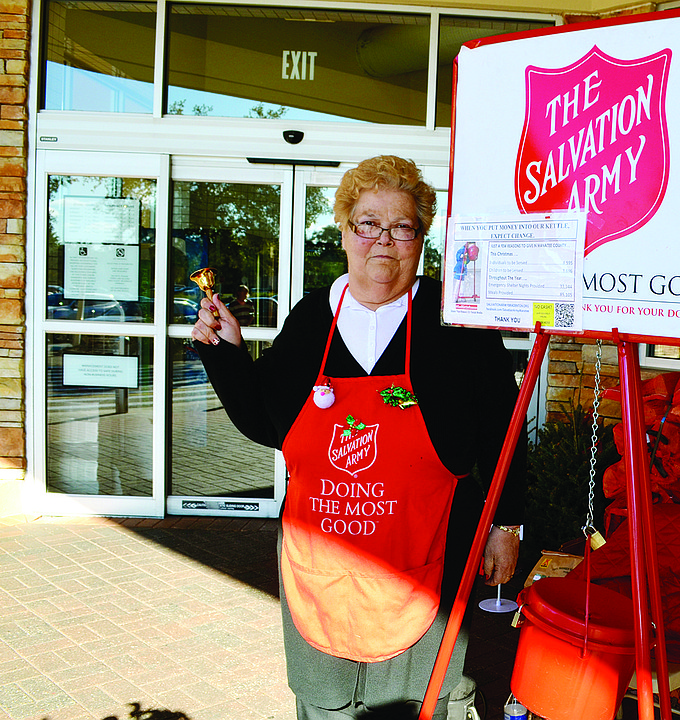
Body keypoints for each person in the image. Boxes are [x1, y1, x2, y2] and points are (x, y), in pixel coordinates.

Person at [191, 155, 525, 720]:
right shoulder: (310, 321)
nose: (384, 241)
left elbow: (503, 428)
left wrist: (507, 523)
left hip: (429, 552)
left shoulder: (458, 322)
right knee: (325, 700)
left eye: (402, 226)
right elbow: (268, 422)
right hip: (322, 554)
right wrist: (227, 353)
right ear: (344, 231)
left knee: (424, 697)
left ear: (421, 239)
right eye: (368, 223)